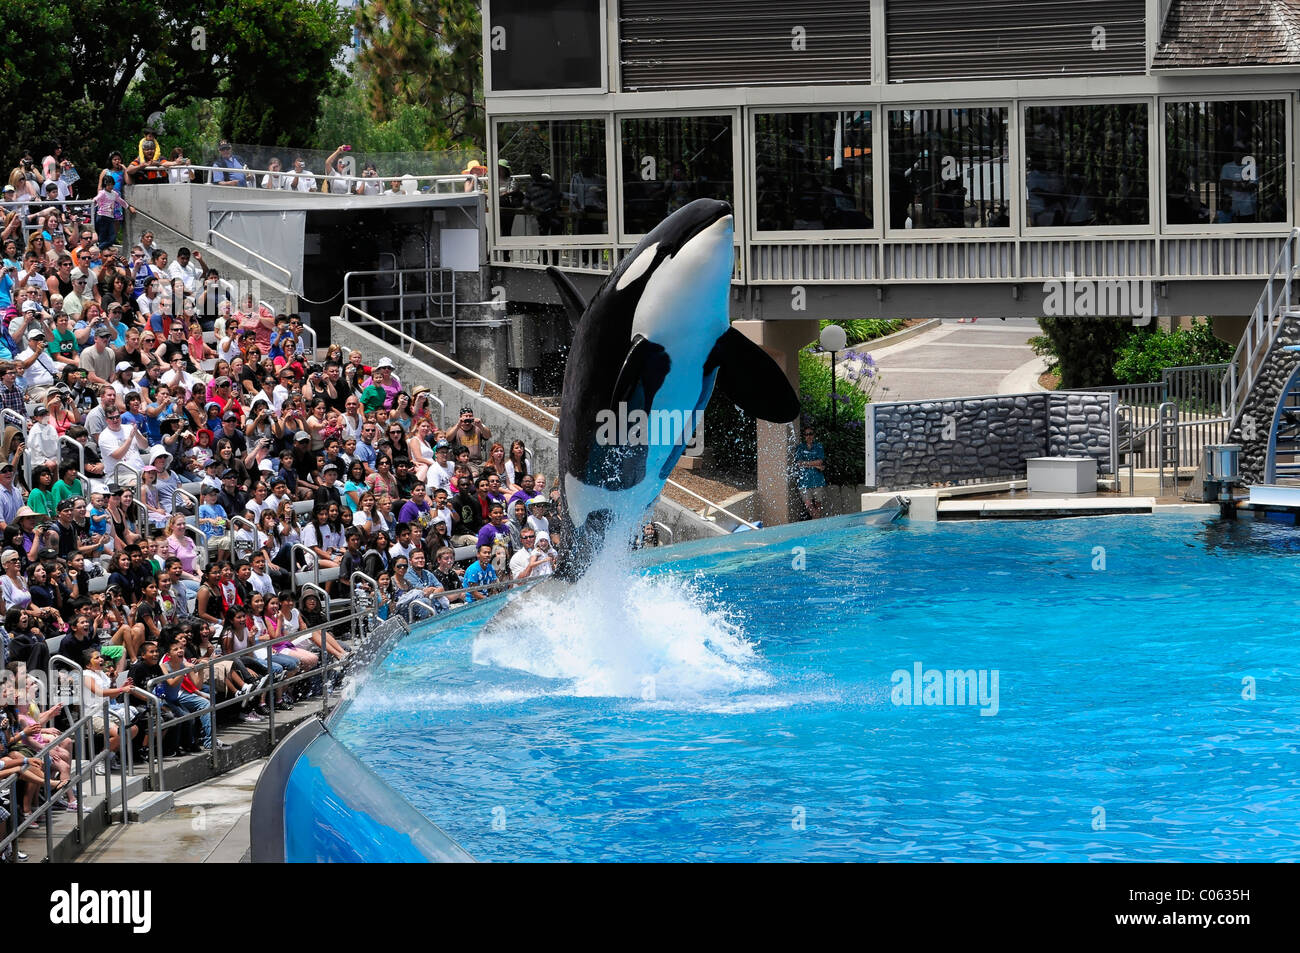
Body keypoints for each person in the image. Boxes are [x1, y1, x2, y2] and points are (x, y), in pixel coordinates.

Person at [794, 425, 828, 519]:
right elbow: (799, 463)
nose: (808, 436)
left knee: (818, 504)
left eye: (810, 434)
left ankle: (816, 522)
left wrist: (807, 463)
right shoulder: (800, 447)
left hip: (817, 480)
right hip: (804, 481)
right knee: (808, 504)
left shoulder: (818, 446)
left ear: (814, 435)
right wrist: (814, 464)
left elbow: (820, 461)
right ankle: (817, 520)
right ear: (804, 436)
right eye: (806, 434)